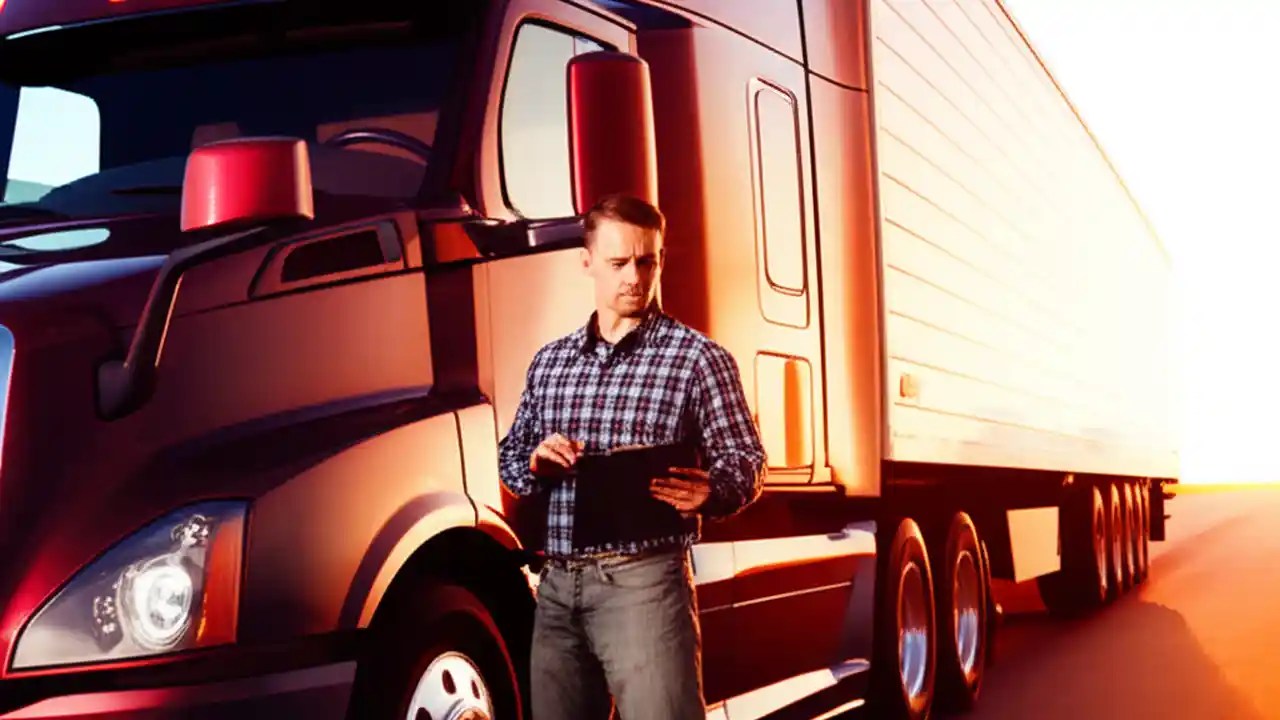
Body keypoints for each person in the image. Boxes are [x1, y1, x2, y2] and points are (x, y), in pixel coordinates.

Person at [497, 193, 766, 720]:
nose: (634, 277)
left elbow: (746, 458)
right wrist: (535, 462)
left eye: (648, 261)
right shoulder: (550, 363)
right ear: (587, 261)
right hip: (556, 589)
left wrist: (714, 489)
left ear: (661, 259)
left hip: (646, 586)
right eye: (619, 263)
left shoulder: (698, 360)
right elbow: (510, 460)